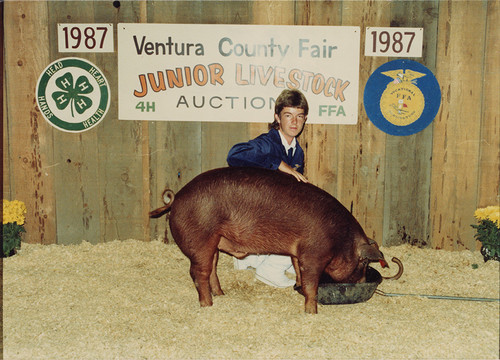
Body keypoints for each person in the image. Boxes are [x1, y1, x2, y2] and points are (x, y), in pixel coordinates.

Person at [226, 89, 309, 288]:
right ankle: (269, 270)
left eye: (299, 117)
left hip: (269, 212)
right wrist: (278, 164)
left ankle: (254, 260)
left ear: (305, 119)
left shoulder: (298, 152)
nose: (294, 122)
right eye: (288, 116)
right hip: (249, 213)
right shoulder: (267, 143)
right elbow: (234, 155)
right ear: (277, 118)